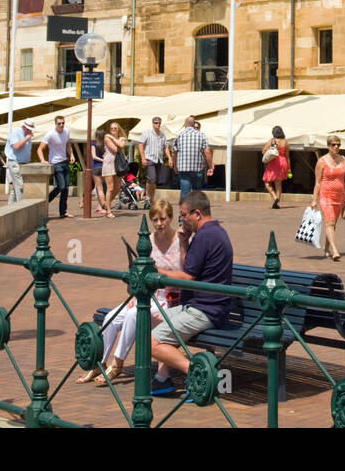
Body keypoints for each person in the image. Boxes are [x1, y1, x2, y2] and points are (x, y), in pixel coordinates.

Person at [78, 199, 185, 387]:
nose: (159, 224)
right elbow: (140, 271)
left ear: (171, 218)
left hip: (170, 299)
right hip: (148, 295)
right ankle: (99, 363)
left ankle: (117, 363)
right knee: (112, 316)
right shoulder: (149, 241)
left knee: (133, 316)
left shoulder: (180, 241)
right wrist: (135, 295)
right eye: (155, 220)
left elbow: (185, 274)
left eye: (163, 219)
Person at [149, 190, 234, 387]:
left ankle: (198, 373)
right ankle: (163, 379)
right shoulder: (215, 231)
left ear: (197, 213)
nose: (182, 220)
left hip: (205, 310)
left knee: (151, 343)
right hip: (200, 304)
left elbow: (186, 277)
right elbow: (191, 268)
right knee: (153, 320)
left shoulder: (205, 236)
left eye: (184, 215)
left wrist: (155, 270)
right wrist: (184, 242)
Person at [311, 136, 345, 261]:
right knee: (329, 222)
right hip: (326, 195)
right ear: (328, 146)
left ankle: (326, 248)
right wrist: (314, 200)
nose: (336, 147)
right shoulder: (322, 161)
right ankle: (334, 250)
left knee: (333, 224)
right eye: (333, 144)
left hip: (340, 196)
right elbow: (317, 182)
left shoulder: (343, 159)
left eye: (338, 145)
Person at [38, 115, 75, 219]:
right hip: (55, 163)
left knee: (66, 188)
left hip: (64, 161)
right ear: (55, 124)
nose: (61, 125)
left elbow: (68, 144)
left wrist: (71, 155)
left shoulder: (66, 131)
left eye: (63, 123)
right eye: (59, 123)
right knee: (61, 186)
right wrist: (42, 160)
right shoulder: (50, 134)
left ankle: (63, 212)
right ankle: (46, 201)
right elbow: (40, 149)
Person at [172, 116, 213, 200]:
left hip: (183, 168)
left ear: (185, 124)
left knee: (184, 191)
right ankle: (196, 210)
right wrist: (210, 166)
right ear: (194, 124)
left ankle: (184, 211)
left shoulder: (179, 135)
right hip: (197, 168)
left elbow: (174, 153)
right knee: (197, 191)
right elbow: (207, 152)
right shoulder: (201, 135)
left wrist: (175, 166)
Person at [139, 116, 172, 204]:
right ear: (153, 123)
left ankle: (151, 198)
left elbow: (165, 147)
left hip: (158, 160)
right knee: (151, 178)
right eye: (156, 123)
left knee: (154, 181)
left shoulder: (162, 135)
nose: (158, 124)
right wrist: (143, 158)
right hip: (149, 158)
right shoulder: (147, 133)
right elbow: (140, 144)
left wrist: (169, 158)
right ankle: (148, 197)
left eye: (159, 123)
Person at [5, 120, 35, 205]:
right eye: (29, 129)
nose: (30, 131)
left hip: (22, 163)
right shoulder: (16, 133)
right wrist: (26, 138)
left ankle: (10, 208)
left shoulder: (27, 135)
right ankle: (21, 206)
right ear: (25, 127)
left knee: (16, 187)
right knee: (20, 186)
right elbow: (16, 146)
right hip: (15, 162)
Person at [262, 125, 289, 209]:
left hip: (274, 162)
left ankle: (275, 197)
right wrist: (289, 168)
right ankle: (276, 202)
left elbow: (263, 151)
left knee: (266, 182)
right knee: (278, 183)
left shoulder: (272, 141)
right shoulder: (285, 142)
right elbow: (287, 156)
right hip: (283, 162)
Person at [102, 122, 126, 212]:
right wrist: (112, 138)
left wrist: (113, 138)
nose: (113, 130)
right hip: (109, 163)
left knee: (117, 189)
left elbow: (121, 145)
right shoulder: (106, 138)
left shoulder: (121, 138)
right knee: (110, 188)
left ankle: (106, 204)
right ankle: (108, 210)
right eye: (111, 128)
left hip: (118, 165)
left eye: (115, 128)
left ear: (118, 129)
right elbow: (116, 149)